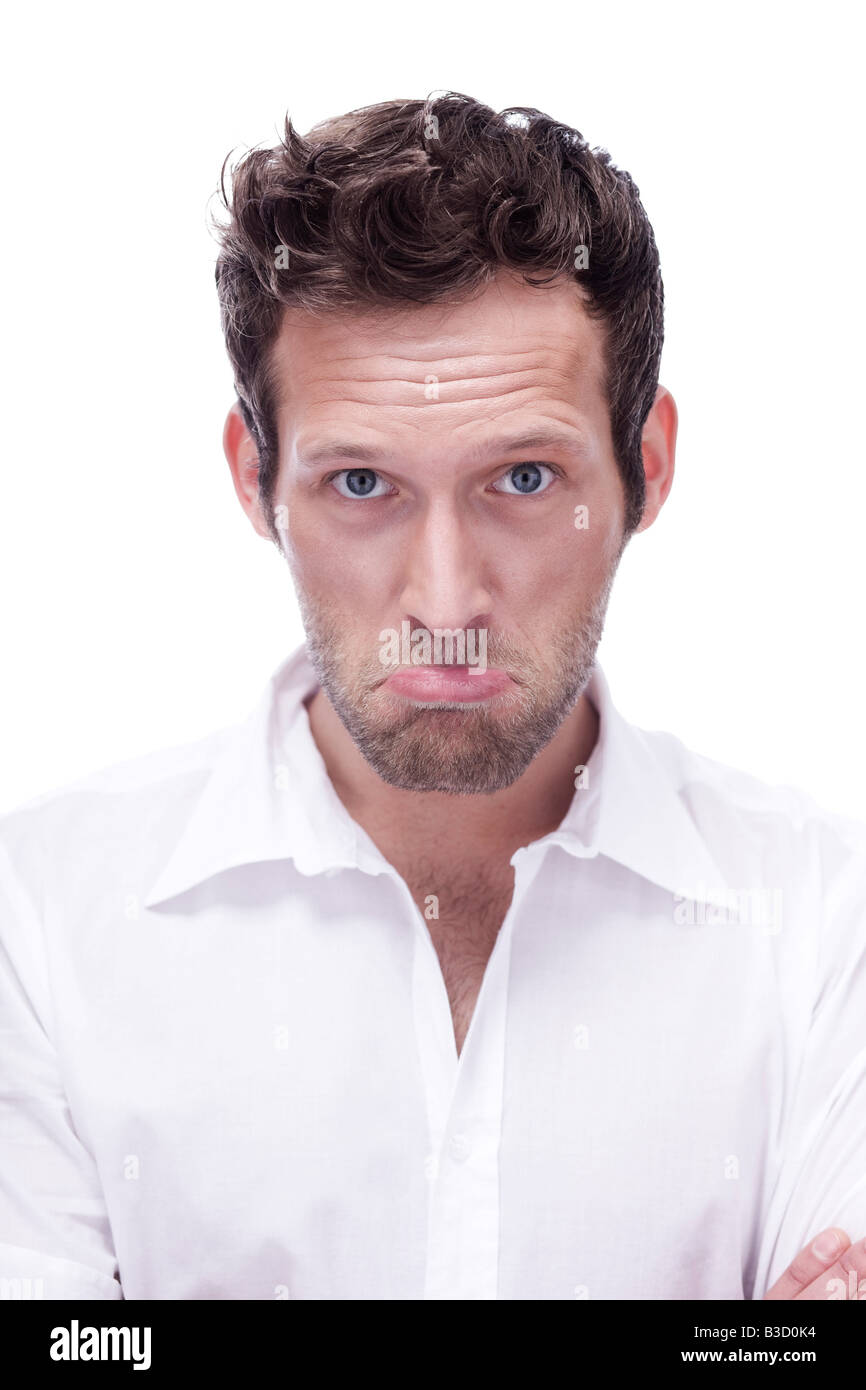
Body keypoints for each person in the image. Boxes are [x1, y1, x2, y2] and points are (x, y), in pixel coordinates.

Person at [1, 93, 864, 1301]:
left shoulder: (824, 921)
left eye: (523, 476)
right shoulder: (37, 922)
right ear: (256, 481)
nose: (445, 596)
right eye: (361, 482)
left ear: (644, 468)